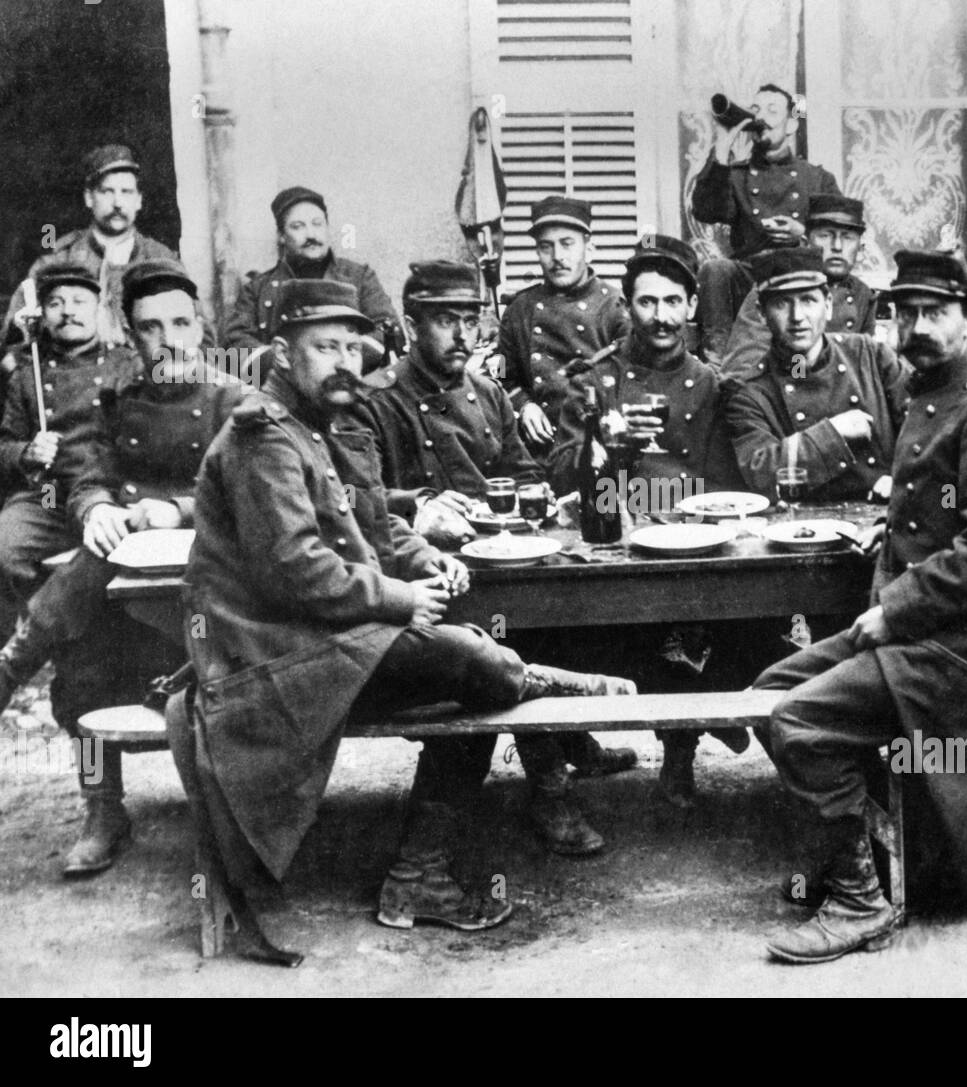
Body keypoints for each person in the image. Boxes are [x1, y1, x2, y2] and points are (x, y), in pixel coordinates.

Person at [170, 279, 634, 962]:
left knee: (464, 665)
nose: (345, 363)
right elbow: (293, 570)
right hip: (269, 662)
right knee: (466, 662)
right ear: (279, 351)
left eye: (353, 348)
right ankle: (525, 690)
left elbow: (372, 520)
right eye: (324, 347)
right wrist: (399, 599)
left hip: (323, 643)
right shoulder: (263, 437)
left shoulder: (318, 425)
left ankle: (426, 857)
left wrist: (422, 562)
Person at [753, 249, 967, 964]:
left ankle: (861, 898)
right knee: (767, 690)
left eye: (935, 313)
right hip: (931, 628)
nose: (916, 327)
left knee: (798, 719)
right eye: (905, 313)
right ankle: (863, 852)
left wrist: (896, 610)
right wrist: (895, 530)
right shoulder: (932, 390)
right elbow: (941, 510)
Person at [0, 258, 248, 874]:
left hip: (219, 580)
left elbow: (258, 490)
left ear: (202, 327)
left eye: (181, 323)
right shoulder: (116, 400)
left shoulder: (234, 400)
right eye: (152, 328)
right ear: (131, 339)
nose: (169, 341)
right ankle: (102, 806)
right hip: (132, 572)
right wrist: (95, 507)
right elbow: (86, 471)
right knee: (81, 670)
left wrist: (181, 508)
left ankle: (14, 659)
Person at [361, 258, 636, 784]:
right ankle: (551, 784)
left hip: (496, 557)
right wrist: (418, 506)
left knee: (553, 607)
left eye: (471, 319)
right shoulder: (378, 398)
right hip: (425, 577)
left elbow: (523, 474)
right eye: (445, 320)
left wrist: (552, 499)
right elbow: (359, 498)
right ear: (413, 323)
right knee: (493, 643)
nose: (462, 335)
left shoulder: (486, 394)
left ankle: (567, 742)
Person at [549, 234, 754, 806]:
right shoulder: (597, 380)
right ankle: (604, 747)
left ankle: (681, 754)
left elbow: (727, 486)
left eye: (671, 302)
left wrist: (672, 507)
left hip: (689, 543)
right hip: (612, 543)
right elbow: (564, 475)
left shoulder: (713, 385)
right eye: (646, 302)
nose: (660, 317)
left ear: (691, 306)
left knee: (733, 622)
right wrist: (611, 445)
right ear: (629, 306)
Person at [0, 263, 139, 640]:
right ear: (42, 315)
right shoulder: (28, 376)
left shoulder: (125, 365)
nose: (68, 311)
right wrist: (26, 452)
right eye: (55, 303)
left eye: (79, 300)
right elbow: (5, 444)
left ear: (98, 308)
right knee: (5, 548)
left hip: (107, 494)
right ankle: (36, 638)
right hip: (47, 496)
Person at [725, 248, 909, 503]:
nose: (797, 317)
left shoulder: (871, 356)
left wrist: (902, 478)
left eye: (808, 300)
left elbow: (925, 431)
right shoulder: (751, 392)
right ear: (761, 314)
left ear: (829, 305)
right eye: (781, 303)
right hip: (799, 527)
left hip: (882, 518)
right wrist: (832, 432)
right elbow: (761, 474)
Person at [690, 84, 840, 363]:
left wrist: (802, 234)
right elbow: (705, 210)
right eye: (756, 109)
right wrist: (723, 147)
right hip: (750, 278)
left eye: (773, 110)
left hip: (799, 277)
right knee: (716, 269)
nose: (762, 117)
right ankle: (718, 361)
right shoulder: (737, 175)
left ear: (792, 124)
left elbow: (838, 238)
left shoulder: (817, 179)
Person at [3, 145, 176, 349]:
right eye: (107, 192)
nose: (118, 203)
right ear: (89, 197)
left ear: (139, 200)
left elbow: (198, 336)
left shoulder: (162, 260)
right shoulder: (57, 260)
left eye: (126, 192)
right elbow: (14, 338)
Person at [495, 196, 629, 453]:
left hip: (600, 443)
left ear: (589, 249)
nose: (557, 257)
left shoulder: (616, 308)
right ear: (537, 253)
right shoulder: (518, 310)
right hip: (538, 446)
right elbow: (501, 375)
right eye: (546, 247)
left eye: (567, 244)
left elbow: (632, 385)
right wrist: (524, 405)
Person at [221, 186, 398, 374]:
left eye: (317, 224)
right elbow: (234, 346)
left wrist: (337, 362)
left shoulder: (359, 277)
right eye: (298, 226)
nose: (311, 235)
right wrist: (297, 366)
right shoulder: (257, 289)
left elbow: (388, 330)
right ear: (281, 236)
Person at [722, 194, 879, 381]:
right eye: (826, 235)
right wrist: (802, 385)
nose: (837, 246)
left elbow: (865, 363)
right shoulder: (779, 288)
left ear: (860, 249)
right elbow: (748, 363)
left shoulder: (863, 294)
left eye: (847, 237)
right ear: (805, 243)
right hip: (789, 391)